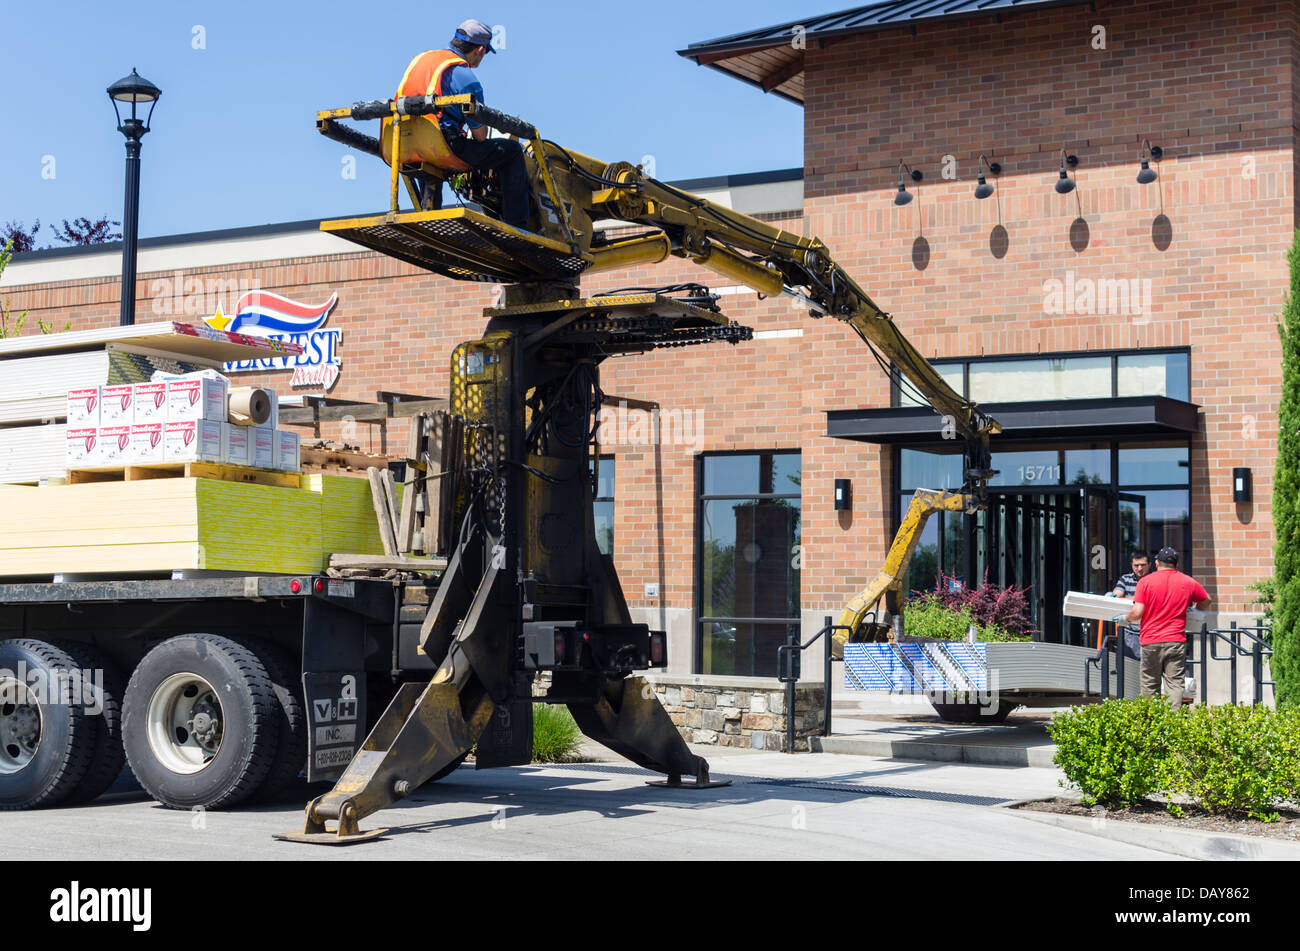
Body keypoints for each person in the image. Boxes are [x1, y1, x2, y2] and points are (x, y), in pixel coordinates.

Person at [395, 19, 531, 228]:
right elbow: (480, 136)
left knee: (429, 157)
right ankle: (518, 226)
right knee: (512, 151)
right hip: (441, 143)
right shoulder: (467, 78)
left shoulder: (423, 60)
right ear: (479, 49)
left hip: (402, 141)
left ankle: (431, 219)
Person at [1122, 547, 1211, 708]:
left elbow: (1137, 611)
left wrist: (1125, 619)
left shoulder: (1145, 582)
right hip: (1175, 640)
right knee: (1175, 684)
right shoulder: (1187, 581)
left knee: (1149, 684)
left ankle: (1152, 723)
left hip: (1150, 640)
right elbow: (1207, 600)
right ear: (1176, 565)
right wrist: (1195, 613)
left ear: (1156, 563)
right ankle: (1172, 724)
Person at [1110, 550, 1152, 661]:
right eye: (1136, 565)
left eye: (1143, 565)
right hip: (1129, 633)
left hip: (1150, 632)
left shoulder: (1155, 580)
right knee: (1129, 668)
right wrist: (1112, 595)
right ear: (1131, 565)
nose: (1139, 568)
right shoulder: (1125, 579)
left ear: (1150, 565)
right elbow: (1117, 593)